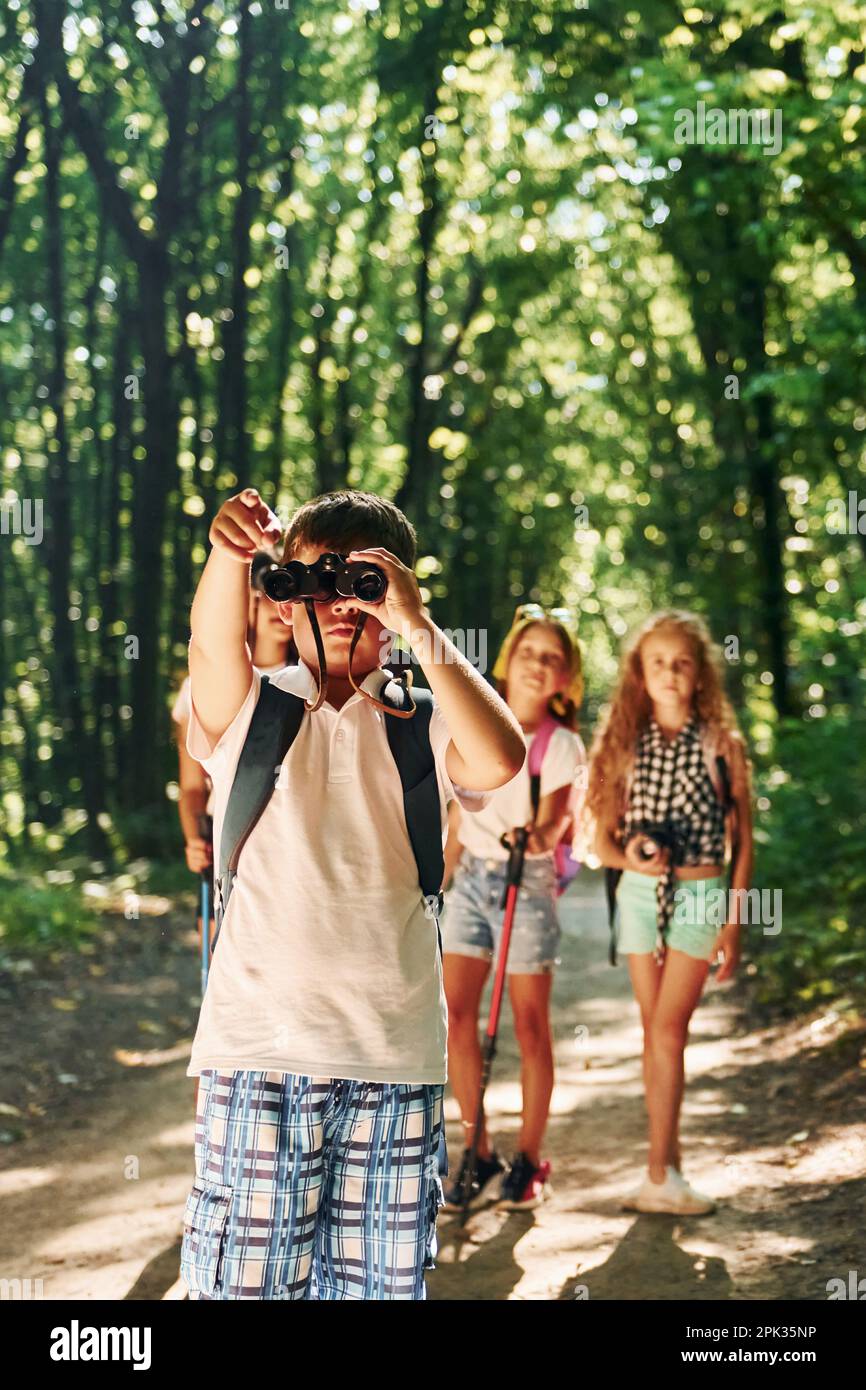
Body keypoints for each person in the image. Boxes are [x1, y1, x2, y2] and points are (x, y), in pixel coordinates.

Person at [178, 486, 526, 1299]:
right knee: (247, 1285)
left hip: (393, 1063)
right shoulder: (253, 712)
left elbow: (503, 758)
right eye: (316, 582)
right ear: (285, 594)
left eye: (362, 583)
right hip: (259, 1055)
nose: (340, 603)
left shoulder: (422, 718)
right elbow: (209, 648)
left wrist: (416, 624)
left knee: (379, 1286)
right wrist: (229, 557)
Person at [584, 610, 753, 1215]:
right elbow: (600, 842)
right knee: (658, 1034)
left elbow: (743, 839)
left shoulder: (721, 744)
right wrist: (630, 853)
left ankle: (661, 1170)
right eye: (657, 662)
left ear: (700, 673)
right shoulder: (622, 744)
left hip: (702, 896)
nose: (670, 672)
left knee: (667, 1030)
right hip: (637, 893)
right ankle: (665, 1170)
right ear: (639, 673)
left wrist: (734, 921)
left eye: (682, 661)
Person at [440, 603, 586, 1212]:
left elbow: (555, 823)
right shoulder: (470, 718)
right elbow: (455, 813)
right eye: (529, 653)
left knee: (528, 1023)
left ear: (563, 678)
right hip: (470, 879)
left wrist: (537, 837)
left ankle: (529, 1158)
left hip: (525, 881)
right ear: (509, 659)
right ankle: (477, 1148)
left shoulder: (561, 744)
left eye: (551, 659)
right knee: (457, 1016)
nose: (538, 665)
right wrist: (436, 878)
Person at [172, 550, 295, 1109]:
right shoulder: (212, 681)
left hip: (292, 860)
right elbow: (192, 783)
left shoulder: (313, 684)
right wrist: (192, 838)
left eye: (282, 595)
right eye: (260, 596)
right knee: (229, 985)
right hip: (232, 858)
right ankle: (227, 1110)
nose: (272, 608)